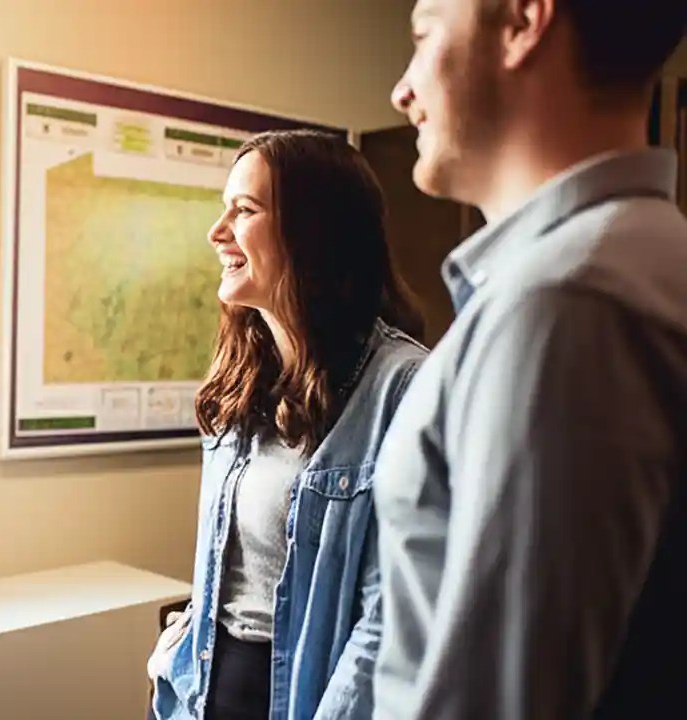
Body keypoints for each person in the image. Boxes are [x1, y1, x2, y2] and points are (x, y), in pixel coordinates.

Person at [374, 1, 687, 717]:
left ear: (522, 20)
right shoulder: (643, 261)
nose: (402, 90)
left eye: (424, 37)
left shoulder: (563, 306)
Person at [148, 130, 428, 720]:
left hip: (305, 699)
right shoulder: (245, 371)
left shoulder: (402, 385)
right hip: (197, 692)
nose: (216, 231)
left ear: (312, 233)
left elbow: (390, 616)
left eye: (244, 210)